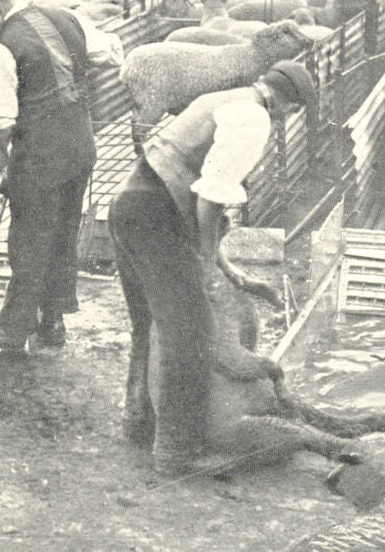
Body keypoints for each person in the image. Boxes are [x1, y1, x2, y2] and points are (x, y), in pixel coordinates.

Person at [108, 60, 318, 475]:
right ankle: (176, 452)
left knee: (147, 325)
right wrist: (204, 261)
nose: (285, 120)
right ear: (285, 102)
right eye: (292, 112)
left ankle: (139, 421)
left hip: (129, 205)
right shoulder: (254, 117)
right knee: (190, 335)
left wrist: (229, 270)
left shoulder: (218, 99)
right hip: (157, 219)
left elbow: (192, 190)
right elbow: (209, 199)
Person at [0, 0, 119, 351]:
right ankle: (52, 323)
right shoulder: (66, 16)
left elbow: (1, 119)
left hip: (40, 158)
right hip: (80, 146)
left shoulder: (1, 49)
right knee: (61, 235)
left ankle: (11, 330)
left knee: (28, 241)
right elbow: (112, 53)